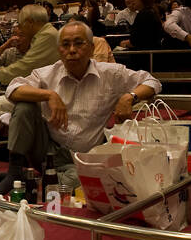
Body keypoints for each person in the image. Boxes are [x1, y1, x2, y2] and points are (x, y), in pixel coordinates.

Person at [9, 21, 161, 184]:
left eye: (79, 43)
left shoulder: (111, 74)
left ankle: (40, 180)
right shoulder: (47, 74)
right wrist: (49, 95)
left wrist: (130, 97)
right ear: (59, 50)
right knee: (24, 106)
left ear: (92, 48)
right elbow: (12, 89)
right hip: (48, 150)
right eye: (65, 45)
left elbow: (152, 82)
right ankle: (15, 173)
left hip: (84, 157)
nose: (72, 50)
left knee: (77, 179)